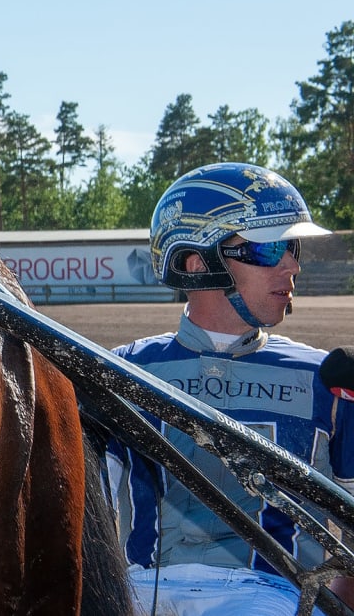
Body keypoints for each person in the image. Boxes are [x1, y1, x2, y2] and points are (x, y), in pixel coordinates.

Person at [106, 161, 353, 615]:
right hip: (137, 592)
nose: (292, 265)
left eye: (292, 247)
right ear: (197, 261)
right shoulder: (119, 372)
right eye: (269, 248)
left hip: (270, 596)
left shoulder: (331, 380)